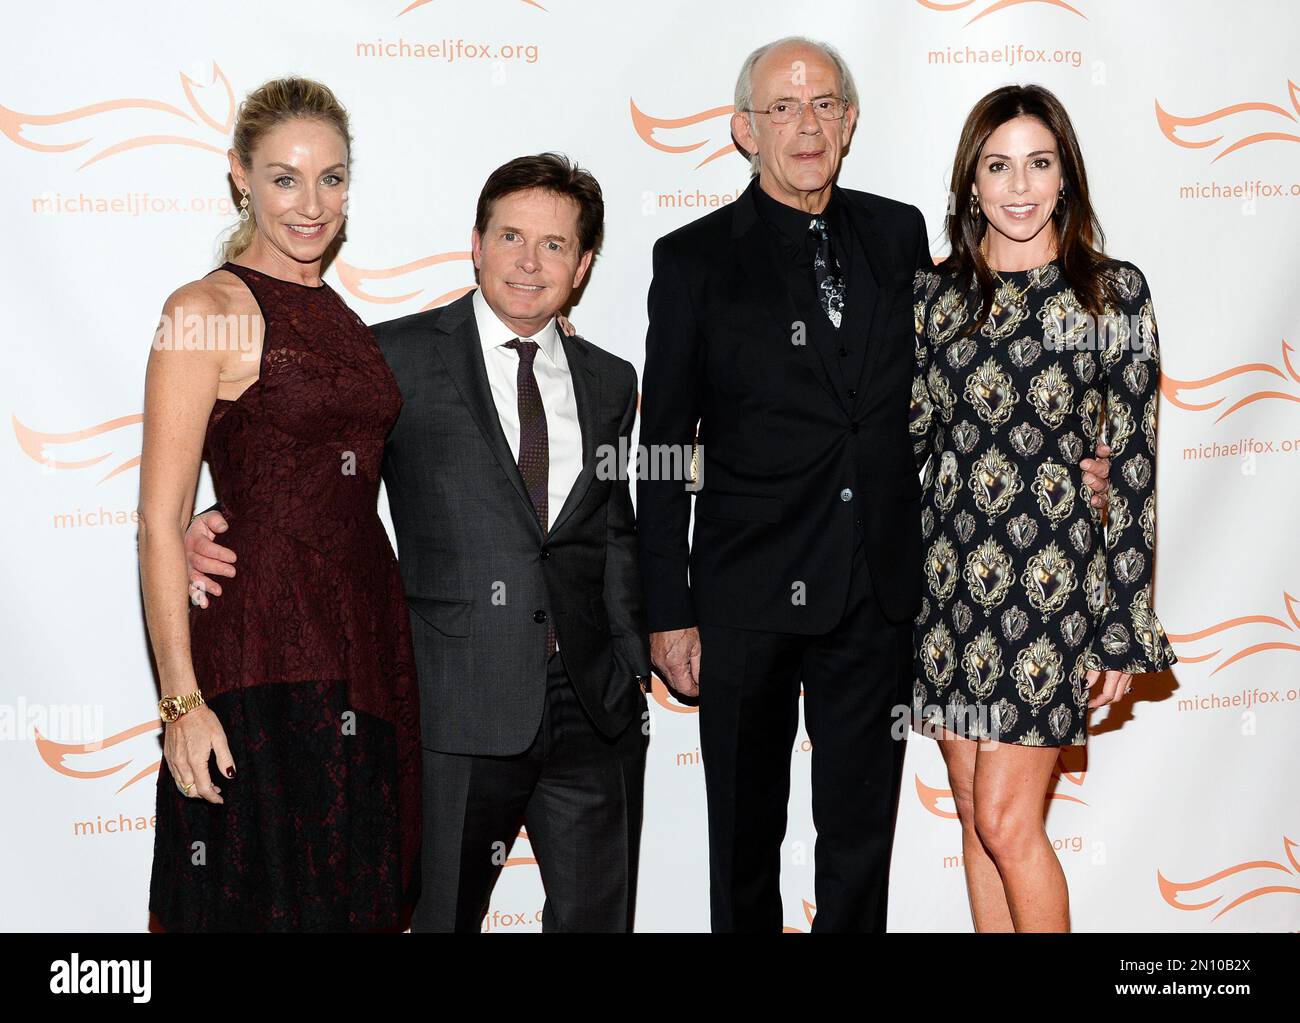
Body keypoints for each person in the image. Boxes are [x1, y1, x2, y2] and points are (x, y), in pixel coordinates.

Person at [636, 37, 1112, 932]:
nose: (806, 124)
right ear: (745, 129)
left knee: (859, 843)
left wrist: (1076, 464)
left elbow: (976, 375)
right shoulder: (692, 258)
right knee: (743, 842)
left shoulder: (897, 234)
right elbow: (664, 446)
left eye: (825, 104)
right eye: (782, 107)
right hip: (743, 596)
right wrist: (668, 608)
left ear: (851, 120)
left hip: (881, 592)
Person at [186, 153, 652, 932]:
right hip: (454, 708)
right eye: (510, 235)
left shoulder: (612, 379)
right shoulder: (393, 357)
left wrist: (632, 657)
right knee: (440, 920)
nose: (528, 262)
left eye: (555, 245)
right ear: (475, 243)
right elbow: (314, 483)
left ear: (584, 265)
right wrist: (216, 519)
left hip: (594, 711)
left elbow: (613, 527)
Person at [139, 77, 420, 931]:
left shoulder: (344, 318)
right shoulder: (204, 311)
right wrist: (183, 707)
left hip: (365, 638)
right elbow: (159, 518)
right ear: (240, 176)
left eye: (332, 178)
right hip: (262, 645)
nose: (311, 203)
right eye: (285, 177)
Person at [909, 84, 1178, 931]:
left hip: (1052, 587)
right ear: (971, 183)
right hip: (949, 585)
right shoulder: (934, 299)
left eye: (1038, 163)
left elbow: (1132, 470)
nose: (1018, 186)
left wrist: (1123, 619)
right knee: (970, 811)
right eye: (998, 165)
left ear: (1066, 177)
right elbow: (904, 444)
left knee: (1005, 818)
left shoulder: (1112, 297)